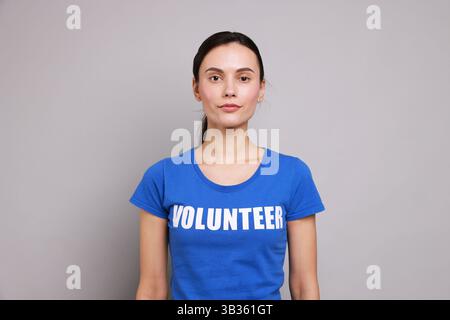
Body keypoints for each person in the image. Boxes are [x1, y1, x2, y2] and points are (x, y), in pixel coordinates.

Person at [129, 31, 326, 300]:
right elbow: (151, 288)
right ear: (197, 88)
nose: (229, 90)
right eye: (215, 77)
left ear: (261, 89)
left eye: (244, 78)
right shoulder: (162, 177)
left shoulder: (293, 175)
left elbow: (305, 287)